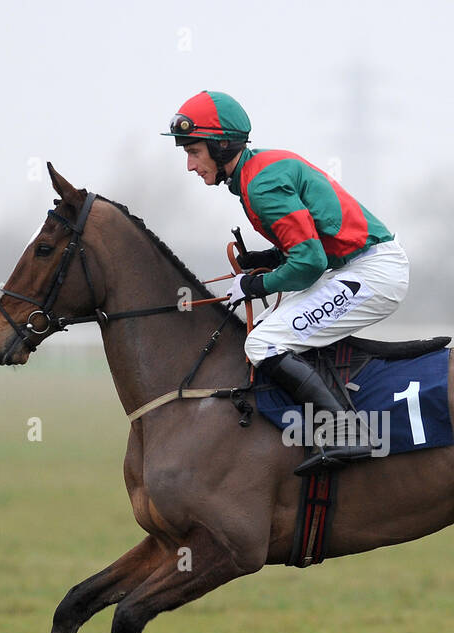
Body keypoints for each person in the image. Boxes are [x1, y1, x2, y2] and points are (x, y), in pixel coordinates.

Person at [164, 90, 410, 474]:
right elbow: (310, 246)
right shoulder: (257, 172)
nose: (190, 165)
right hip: (353, 265)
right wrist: (268, 260)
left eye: (194, 152)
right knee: (265, 332)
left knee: (263, 341)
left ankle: (349, 434)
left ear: (222, 145)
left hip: (373, 272)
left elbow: (310, 261)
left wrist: (254, 286)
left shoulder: (260, 185)